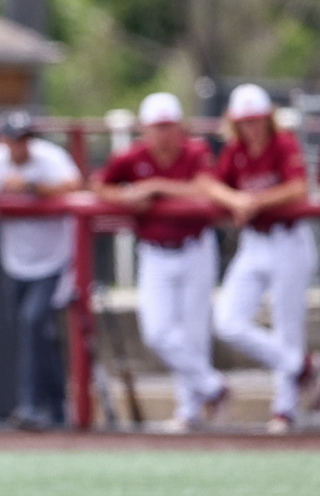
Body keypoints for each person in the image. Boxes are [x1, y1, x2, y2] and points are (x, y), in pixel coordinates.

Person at [93, 93, 228, 433]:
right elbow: (99, 185)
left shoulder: (195, 151)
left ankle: (189, 411)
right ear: (145, 129)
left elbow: (205, 188)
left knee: (194, 333)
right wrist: (127, 196)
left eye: (168, 126)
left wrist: (155, 187)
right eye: (157, 127)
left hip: (195, 246)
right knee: (157, 333)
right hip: (155, 251)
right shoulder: (132, 156)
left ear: (179, 126)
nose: (164, 134)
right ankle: (211, 385)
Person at [199, 84, 318, 434]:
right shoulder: (235, 150)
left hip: (288, 239)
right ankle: (303, 368)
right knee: (227, 321)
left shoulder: (283, 143)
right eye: (244, 121)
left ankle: (285, 410)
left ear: (267, 118)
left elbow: (298, 188)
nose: (251, 127)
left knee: (287, 325)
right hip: (254, 242)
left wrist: (255, 201)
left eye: (256, 120)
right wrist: (236, 200)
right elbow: (209, 183)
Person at [0, 109, 83, 430]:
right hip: (16, 260)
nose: (21, 145)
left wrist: (31, 187)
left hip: (53, 259)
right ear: (4, 140)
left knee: (32, 322)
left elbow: (74, 184)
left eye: (25, 139)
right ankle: (57, 405)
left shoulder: (50, 158)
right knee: (35, 333)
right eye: (15, 139)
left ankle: (30, 404)